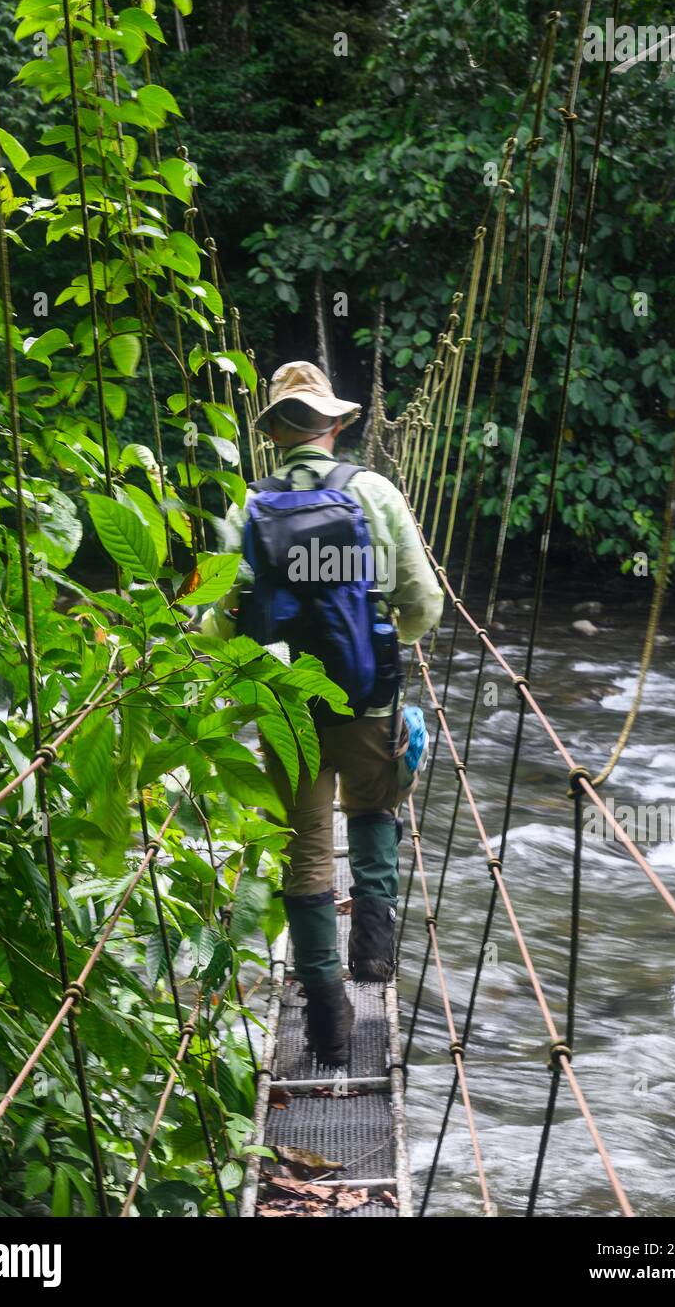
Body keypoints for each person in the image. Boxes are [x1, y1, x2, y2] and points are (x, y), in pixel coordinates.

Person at [202, 361, 443, 1064]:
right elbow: (423, 605)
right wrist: (378, 643)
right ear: (336, 426)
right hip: (367, 700)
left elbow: (219, 624)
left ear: (274, 432)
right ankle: (372, 952)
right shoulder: (374, 491)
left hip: (287, 710)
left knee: (306, 849)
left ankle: (326, 1019)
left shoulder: (246, 507)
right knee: (375, 807)